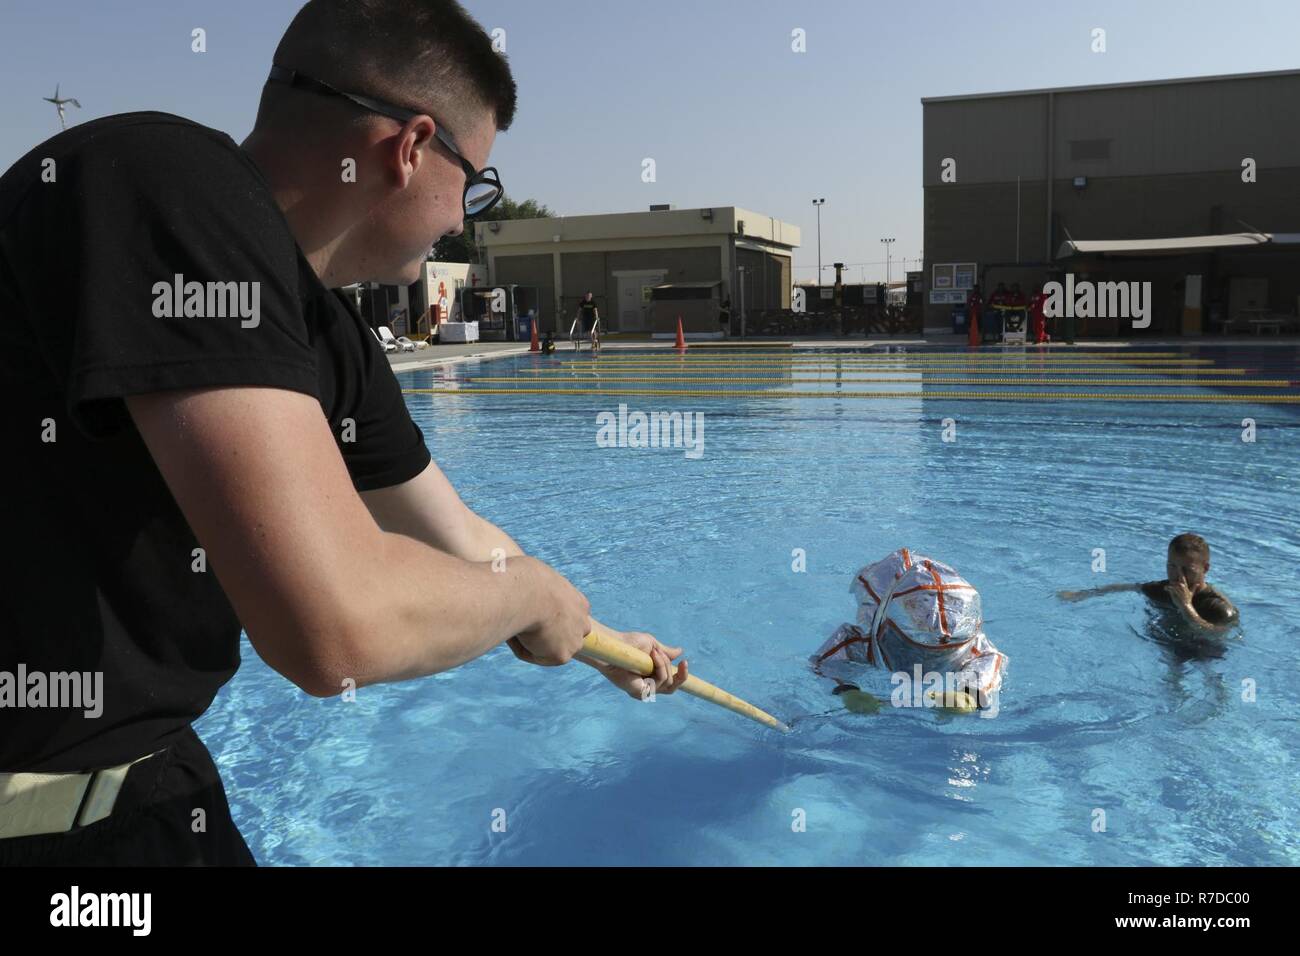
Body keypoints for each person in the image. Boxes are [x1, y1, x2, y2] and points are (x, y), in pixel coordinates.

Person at [0, 0, 686, 866]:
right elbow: (335, 631)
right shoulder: (167, 187)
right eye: (472, 183)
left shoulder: (323, 334)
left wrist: (601, 641)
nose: (461, 220)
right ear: (411, 149)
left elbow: (463, 539)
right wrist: (531, 598)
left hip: (145, 788)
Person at [811, 548, 1007, 714]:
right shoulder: (866, 639)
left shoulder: (958, 633)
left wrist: (969, 694)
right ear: (889, 632)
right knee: (873, 606)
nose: (923, 662)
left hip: (940, 587)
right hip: (883, 579)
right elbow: (824, 661)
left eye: (938, 653)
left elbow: (990, 658)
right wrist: (848, 691)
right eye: (914, 649)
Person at [1058, 533, 1239, 634]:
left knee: (1213, 681)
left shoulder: (1218, 606)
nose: (1177, 575)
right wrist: (1081, 594)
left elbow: (1219, 635)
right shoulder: (1164, 589)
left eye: (1187, 569)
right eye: (1171, 566)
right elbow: (1128, 587)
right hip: (1170, 642)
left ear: (1205, 568)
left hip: (1205, 650)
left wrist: (1186, 607)